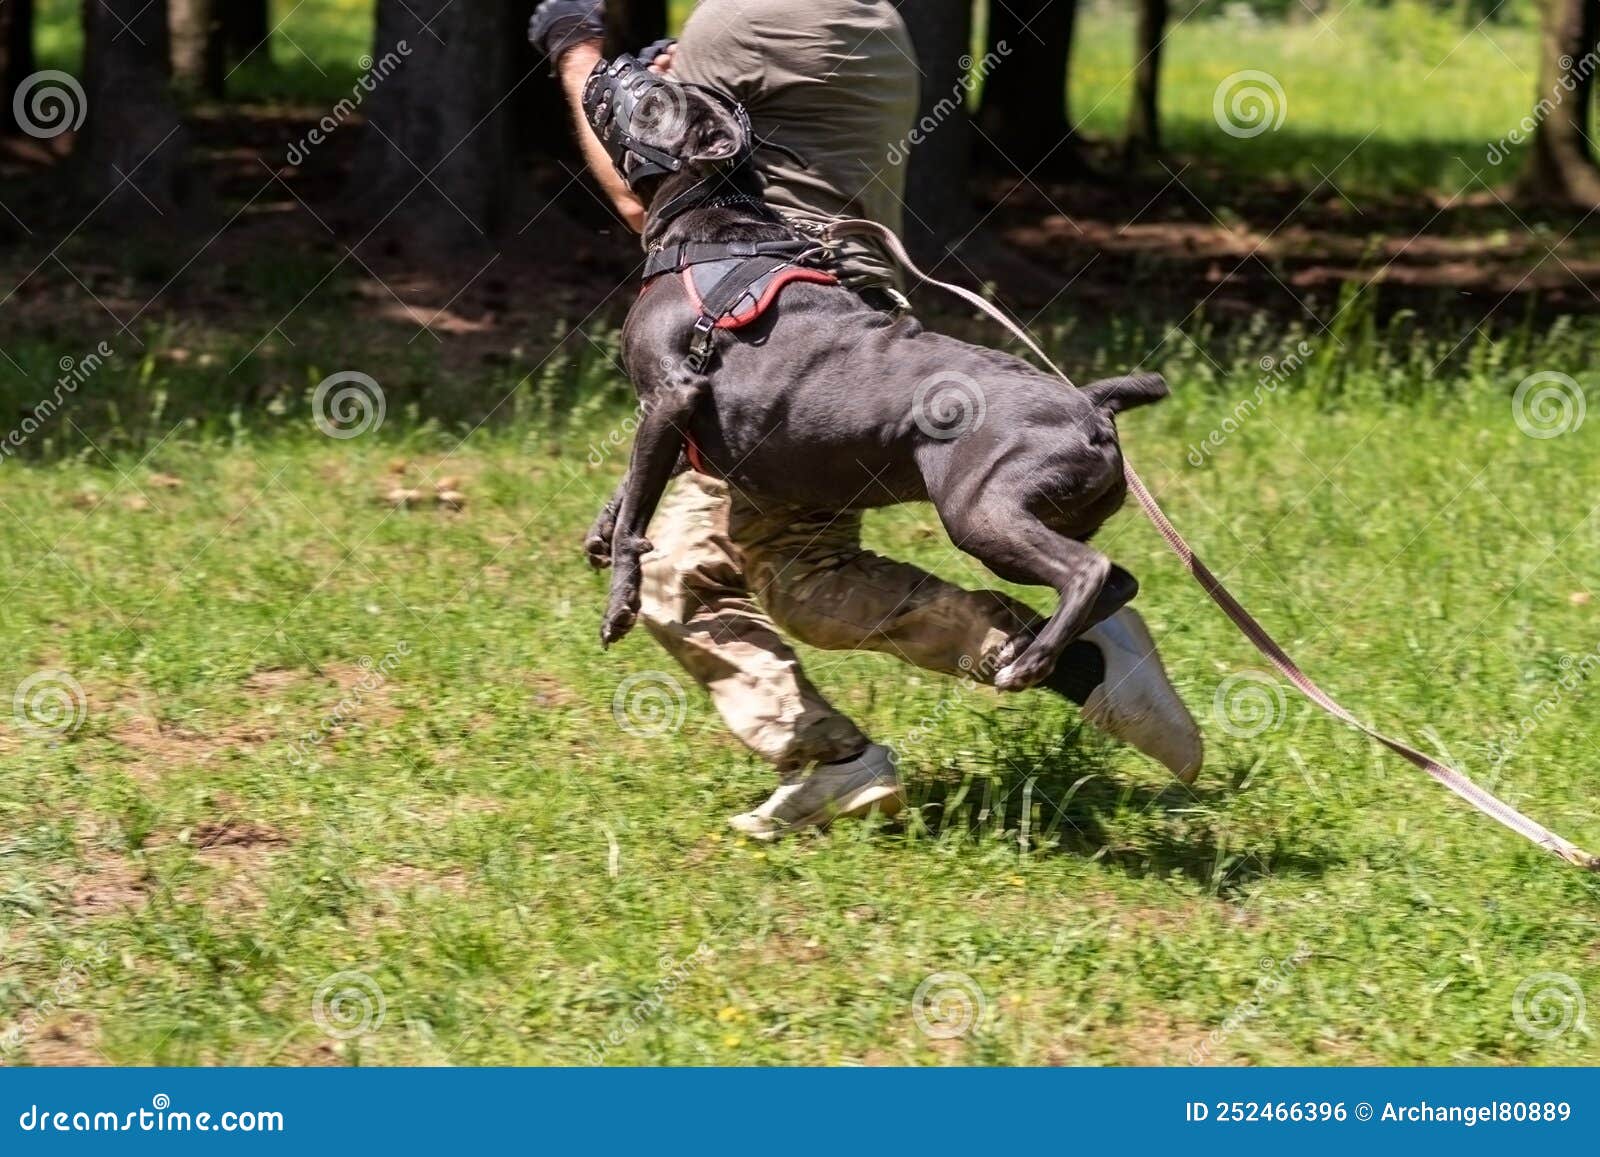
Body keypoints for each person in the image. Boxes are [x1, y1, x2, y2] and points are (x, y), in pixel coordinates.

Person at [530, 0, 1203, 840]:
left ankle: (1070, 655)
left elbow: (644, 189)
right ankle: (844, 752)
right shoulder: (869, 18)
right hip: (825, 326)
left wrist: (573, 50)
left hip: (775, 346)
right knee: (752, 576)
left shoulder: (740, 24)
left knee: (727, 581)